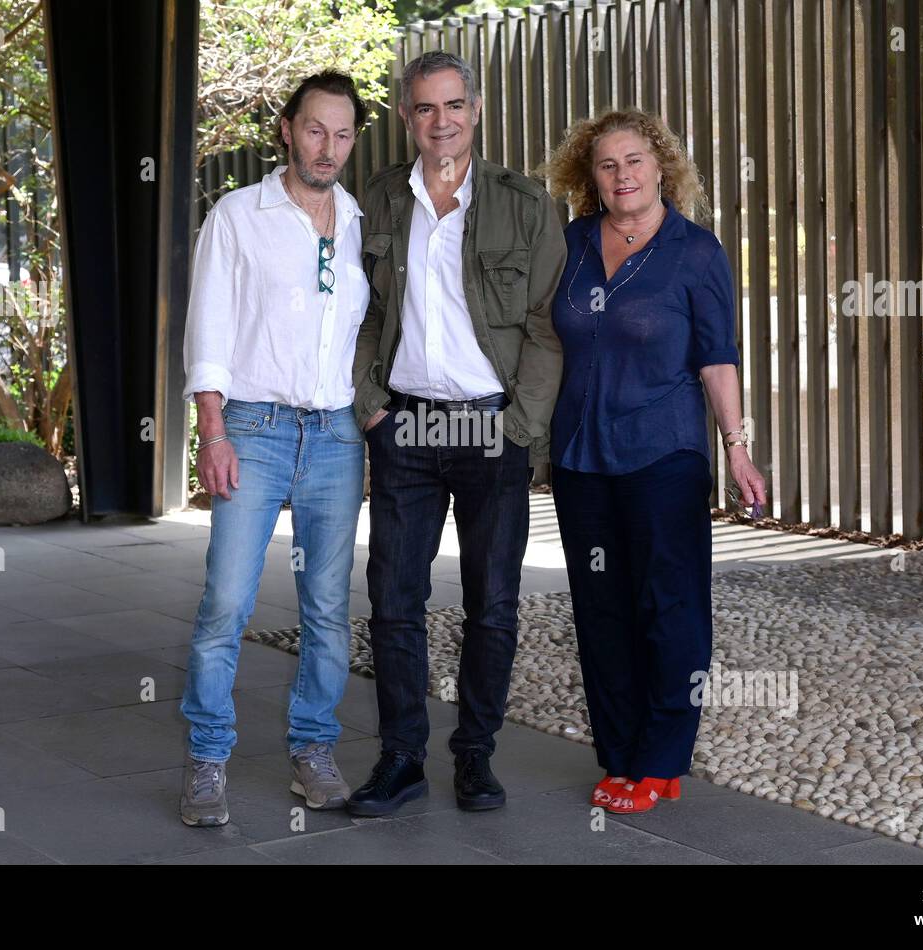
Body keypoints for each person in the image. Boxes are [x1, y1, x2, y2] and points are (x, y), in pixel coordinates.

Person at [347, 50, 567, 816]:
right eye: (424, 108)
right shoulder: (377, 199)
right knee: (393, 601)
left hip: (489, 426)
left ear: (476, 110)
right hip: (404, 423)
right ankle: (401, 759)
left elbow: (546, 329)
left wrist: (518, 427)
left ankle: (475, 757)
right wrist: (370, 402)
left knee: (493, 602)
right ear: (408, 117)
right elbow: (368, 313)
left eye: (453, 106)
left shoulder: (526, 204)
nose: (440, 122)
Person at [543, 108, 766, 813]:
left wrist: (739, 449)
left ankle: (664, 759)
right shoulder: (572, 244)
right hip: (582, 459)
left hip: (662, 456)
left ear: (661, 165)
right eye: (607, 165)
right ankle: (621, 755)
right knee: (601, 612)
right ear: (590, 177)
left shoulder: (695, 252)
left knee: (668, 609)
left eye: (634, 160)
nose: (622, 175)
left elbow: (718, 359)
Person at [177, 71, 371, 826]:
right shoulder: (238, 215)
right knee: (226, 601)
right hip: (251, 431)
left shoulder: (359, 221)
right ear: (288, 130)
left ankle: (313, 752)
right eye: (315, 129)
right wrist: (212, 430)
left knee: (327, 610)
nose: (328, 147)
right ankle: (206, 760)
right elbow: (210, 329)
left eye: (343, 133)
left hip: (334, 436)